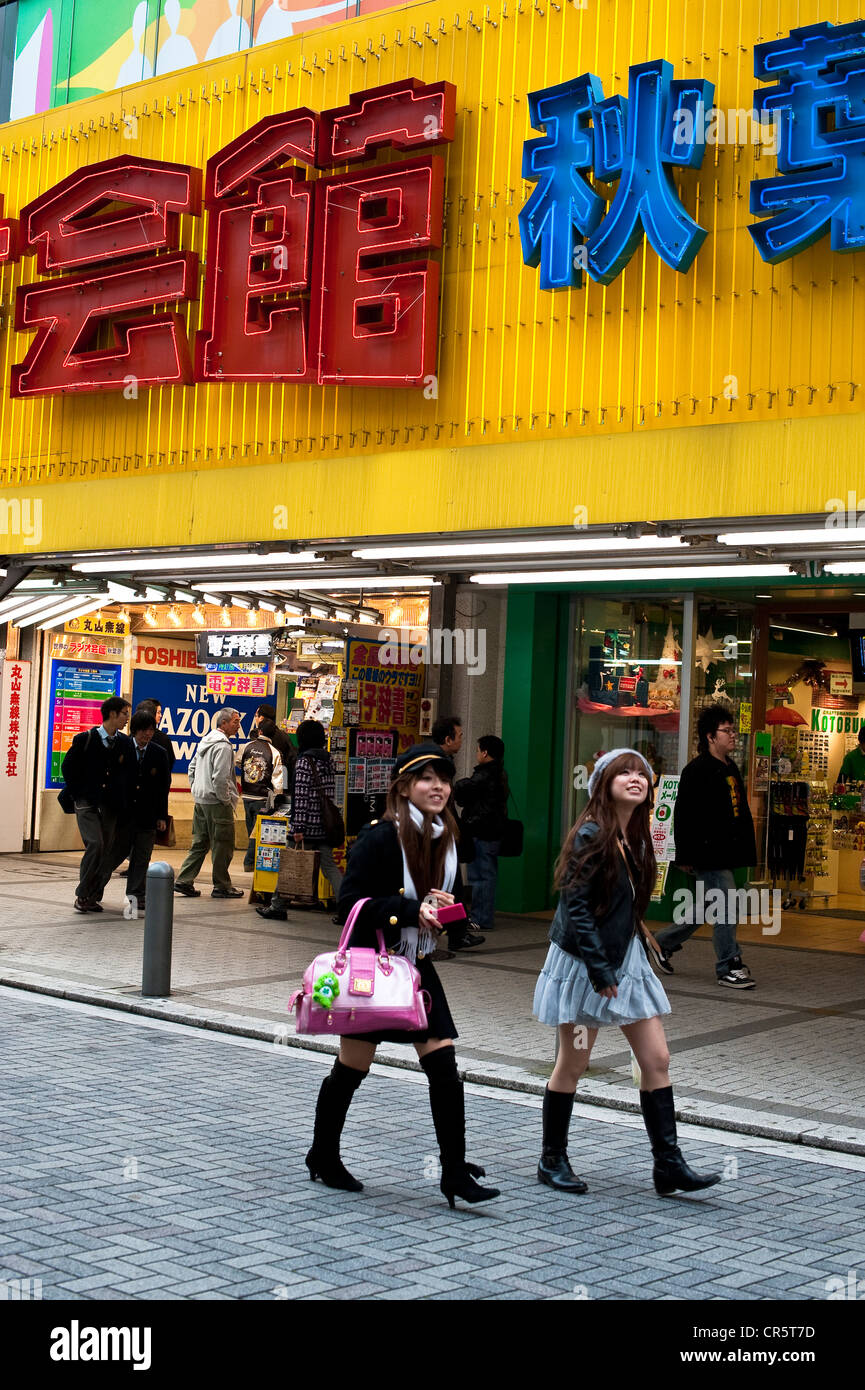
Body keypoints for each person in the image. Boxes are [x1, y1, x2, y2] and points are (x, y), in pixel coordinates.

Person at [305, 743, 500, 1209]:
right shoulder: (380, 838)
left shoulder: (449, 839)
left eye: (444, 780)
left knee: (444, 1067)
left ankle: (453, 1171)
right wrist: (412, 910)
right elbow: (349, 904)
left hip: (415, 966)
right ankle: (323, 1154)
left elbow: (451, 912)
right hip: (373, 968)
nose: (438, 787)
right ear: (405, 787)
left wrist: (447, 913)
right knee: (353, 1066)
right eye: (427, 779)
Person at [533, 749, 721, 1198]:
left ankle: (668, 1165)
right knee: (573, 1063)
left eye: (642, 774)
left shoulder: (634, 835)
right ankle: (551, 1158)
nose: (636, 779)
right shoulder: (591, 834)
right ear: (604, 782)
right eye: (625, 773)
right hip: (584, 966)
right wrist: (599, 969)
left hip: (626, 962)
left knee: (656, 1059)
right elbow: (575, 907)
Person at [652, 705, 758, 989]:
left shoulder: (730, 767)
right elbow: (684, 816)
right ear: (711, 736)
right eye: (727, 731)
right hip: (706, 853)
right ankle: (728, 965)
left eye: (733, 730)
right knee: (726, 904)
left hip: (726, 851)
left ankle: (661, 942)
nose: (733, 735)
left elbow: (739, 811)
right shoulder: (696, 770)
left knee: (712, 904)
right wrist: (683, 855)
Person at [257, 718, 342, 920]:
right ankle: (347, 908)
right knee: (330, 867)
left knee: (289, 865)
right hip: (325, 825)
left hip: (307, 827)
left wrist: (298, 827)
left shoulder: (305, 762)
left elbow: (301, 797)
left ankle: (277, 906)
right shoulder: (328, 760)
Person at [61, 695, 132, 913]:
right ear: (112, 714)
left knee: (108, 850)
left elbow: (127, 774)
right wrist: (80, 793)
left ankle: (92, 895)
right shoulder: (86, 739)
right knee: (96, 844)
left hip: (111, 805)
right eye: (124, 714)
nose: (126, 719)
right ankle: (83, 894)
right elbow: (68, 768)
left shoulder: (124, 743)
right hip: (87, 803)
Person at [101, 710, 170, 914]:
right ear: (134, 731)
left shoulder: (159, 753)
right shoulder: (120, 747)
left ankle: (136, 898)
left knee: (142, 859)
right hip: (122, 816)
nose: (147, 734)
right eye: (143, 730)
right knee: (112, 856)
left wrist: (161, 816)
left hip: (147, 816)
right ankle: (92, 893)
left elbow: (163, 787)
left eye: (151, 730)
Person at [174, 707, 243, 899]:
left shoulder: (205, 741)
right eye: (235, 721)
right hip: (217, 803)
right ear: (224, 723)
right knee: (223, 844)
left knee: (200, 842)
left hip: (201, 801)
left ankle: (184, 880)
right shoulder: (223, 746)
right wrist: (225, 800)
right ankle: (222, 885)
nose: (238, 725)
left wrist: (197, 789)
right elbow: (221, 778)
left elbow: (192, 768)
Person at [455, 735, 509, 934]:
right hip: (490, 832)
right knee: (483, 874)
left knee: (481, 876)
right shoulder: (498, 773)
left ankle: (480, 918)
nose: (477, 754)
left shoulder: (485, 775)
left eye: (478, 750)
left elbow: (465, 789)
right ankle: (480, 916)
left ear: (485, 753)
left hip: (483, 832)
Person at [240, 717, 286, 872]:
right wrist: (279, 796)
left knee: (250, 829)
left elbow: (237, 761)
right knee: (256, 831)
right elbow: (278, 778)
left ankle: (250, 860)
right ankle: (249, 862)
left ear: (259, 731)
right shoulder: (275, 753)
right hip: (262, 797)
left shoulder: (247, 746)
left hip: (246, 795)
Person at [134, 698, 176, 774]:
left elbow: (169, 765)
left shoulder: (164, 740)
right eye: (158, 712)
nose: (161, 715)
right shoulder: (128, 740)